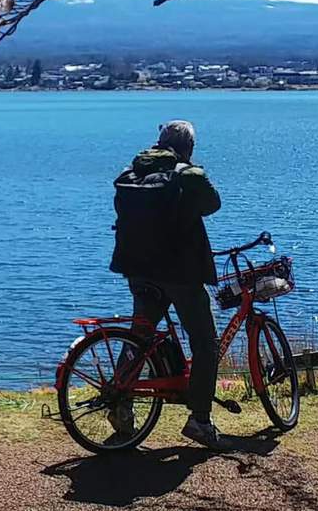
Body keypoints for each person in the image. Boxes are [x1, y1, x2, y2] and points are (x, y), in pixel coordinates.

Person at [108, 119, 226, 450]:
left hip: (138, 270)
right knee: (205, 343)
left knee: (138, 338)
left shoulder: (132, 172)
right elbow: (213, 204)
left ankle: (120, 406)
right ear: (189, 147)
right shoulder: (188, 175)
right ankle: (200, 420)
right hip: (181, 274)